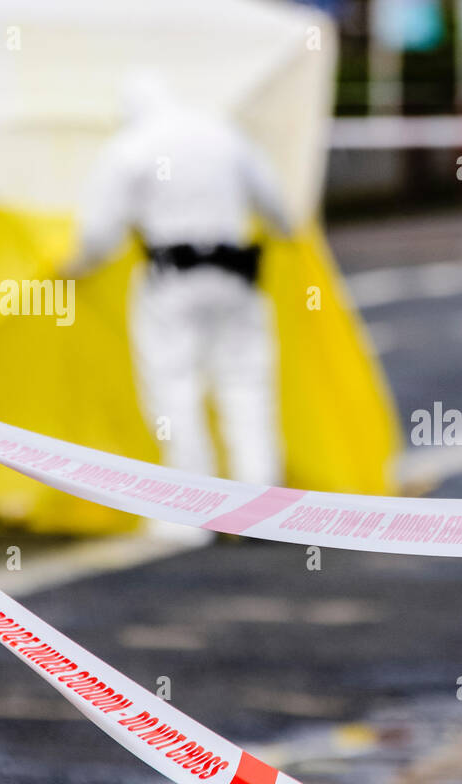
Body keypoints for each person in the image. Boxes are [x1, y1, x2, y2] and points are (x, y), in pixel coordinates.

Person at [63, 73, 294, 540]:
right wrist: (287, 231)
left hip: (172, 283)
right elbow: (279, 207)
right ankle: (260, 502)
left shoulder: (130, 148)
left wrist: (70, 269)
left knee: (174, 390)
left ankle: (192, 511)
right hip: (236, 277)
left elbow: (97, 234)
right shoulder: (223, 135)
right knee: (246, 382)